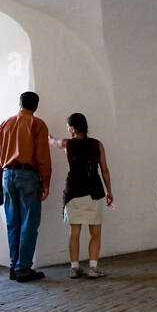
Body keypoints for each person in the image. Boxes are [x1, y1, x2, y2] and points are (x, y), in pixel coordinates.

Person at [0, 92, 52, 281]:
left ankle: (14, 265)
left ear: (20, 104)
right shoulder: (37, 124)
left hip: (7, 176)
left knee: (13, 223)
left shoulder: (4, 125)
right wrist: (45, 182)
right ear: (36, 106)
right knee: (29, 223)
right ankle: (23, 269)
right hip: (28, 176)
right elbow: (42, 157)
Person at [49, 112, 113, 279]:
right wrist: (109, 191)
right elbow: (104, 169)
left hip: (74, 192)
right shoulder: (97, 145)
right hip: (94, 191)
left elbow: (52, 141)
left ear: (72, 129)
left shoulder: (67, 144)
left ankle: (74, 267)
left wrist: (47, 135)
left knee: (75, 232)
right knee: (95, 233)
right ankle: (93, 268)